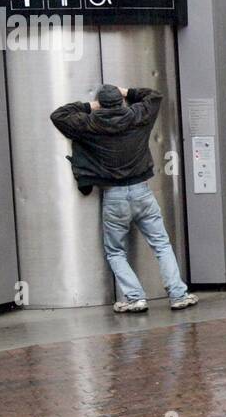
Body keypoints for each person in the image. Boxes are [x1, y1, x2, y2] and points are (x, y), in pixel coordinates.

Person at [50, 83, 198, 313]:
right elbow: (154, 95)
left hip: (114, 196)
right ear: (120, 101)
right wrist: (127, 92)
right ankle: (178, 295)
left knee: (116, 252)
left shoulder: (90, 123)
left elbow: (59, 115)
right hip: (142, 192)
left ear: (102, 105)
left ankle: (135, 298)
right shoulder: (138, 116)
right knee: (161, 244)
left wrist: (91, 105)